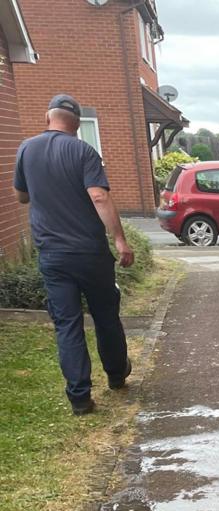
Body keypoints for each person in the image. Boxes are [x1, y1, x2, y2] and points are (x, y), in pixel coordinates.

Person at [13, 94, 134, 416]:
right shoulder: (83, 151)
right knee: (106, 315)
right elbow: (98, 195)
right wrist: (120, 240)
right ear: (77, 124)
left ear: (47, 117)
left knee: (67, 324)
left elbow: (21, 195)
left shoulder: (26, 149)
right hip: (90, 253)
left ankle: (80, 397)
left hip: (52, 255)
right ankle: (116, 374)